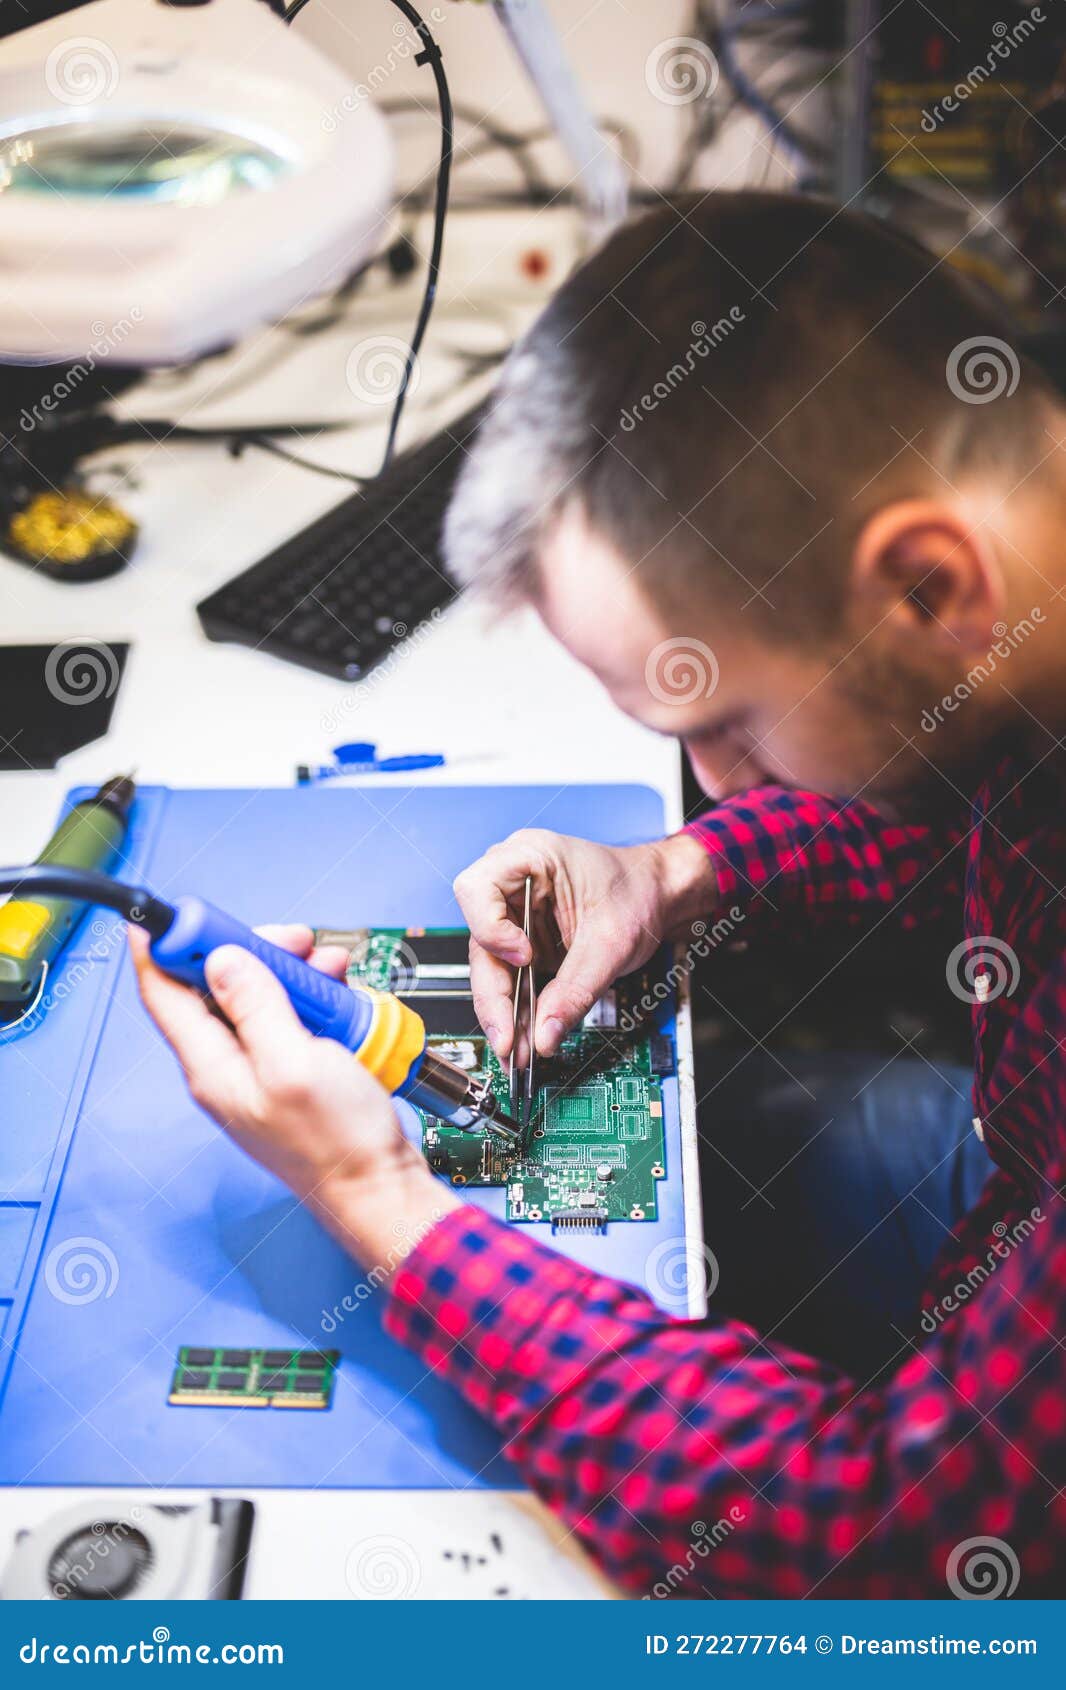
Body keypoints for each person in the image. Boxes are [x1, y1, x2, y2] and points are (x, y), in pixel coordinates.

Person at [133, 193, 1066, 1597]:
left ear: (930, 583)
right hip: (1011, 1162)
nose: (707, 773)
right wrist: (686, 868)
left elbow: (903, 1538)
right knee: (737, 1126)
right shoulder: (1009, 626)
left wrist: (380, 1201)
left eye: (730, 713)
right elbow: (988, 843)